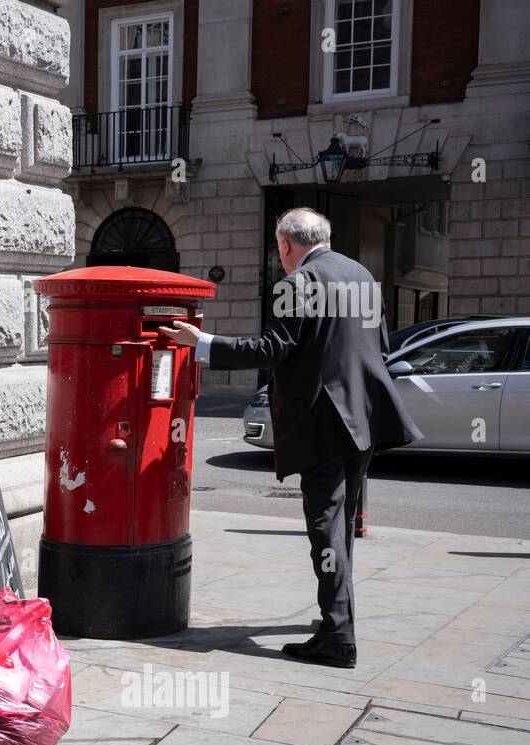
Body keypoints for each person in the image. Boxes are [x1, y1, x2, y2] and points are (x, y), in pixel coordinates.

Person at [161, 207, 422, 668]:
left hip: (324, 420)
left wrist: (199, 343)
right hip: (364, 417)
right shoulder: (362, 276)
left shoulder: (297, 284)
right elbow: (380, 346)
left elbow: (271, 350)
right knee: (341, 527)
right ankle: (335, 619)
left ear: (285, 245)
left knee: (325, 526)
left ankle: (338, 637)